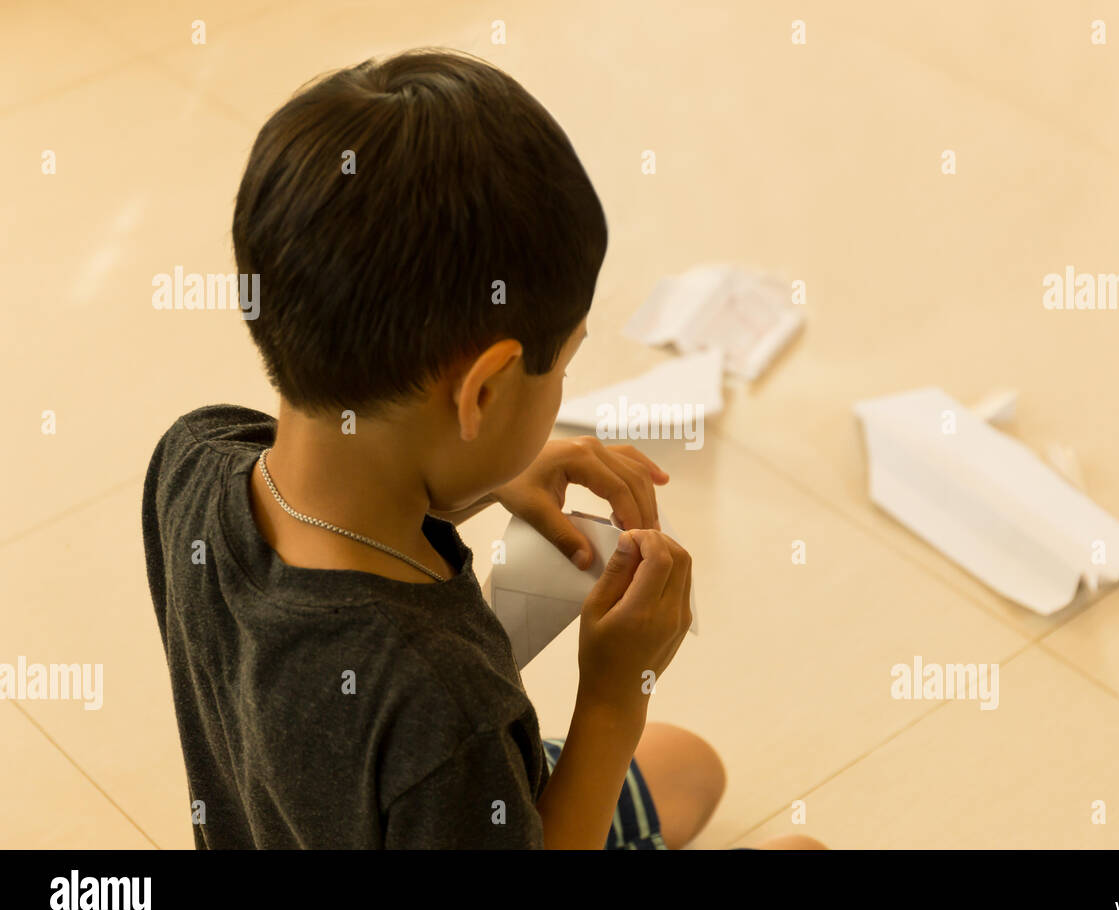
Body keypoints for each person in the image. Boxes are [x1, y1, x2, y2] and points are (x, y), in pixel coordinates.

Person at [142, 48, 823, 850]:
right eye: (562, 364)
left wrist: (490, 478)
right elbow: (442, 741)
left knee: (689, 768)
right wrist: (611, 699)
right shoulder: (443, 709)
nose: (563, 384)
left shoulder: (193, 455)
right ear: (484, 392)